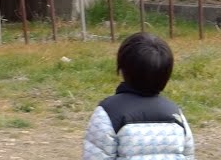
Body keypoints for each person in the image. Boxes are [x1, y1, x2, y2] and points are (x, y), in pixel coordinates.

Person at [82, 31, 195, 160]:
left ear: (122, 69)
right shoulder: (176, 114)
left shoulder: (108, 113)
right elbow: (188, 155)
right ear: (166, 74)